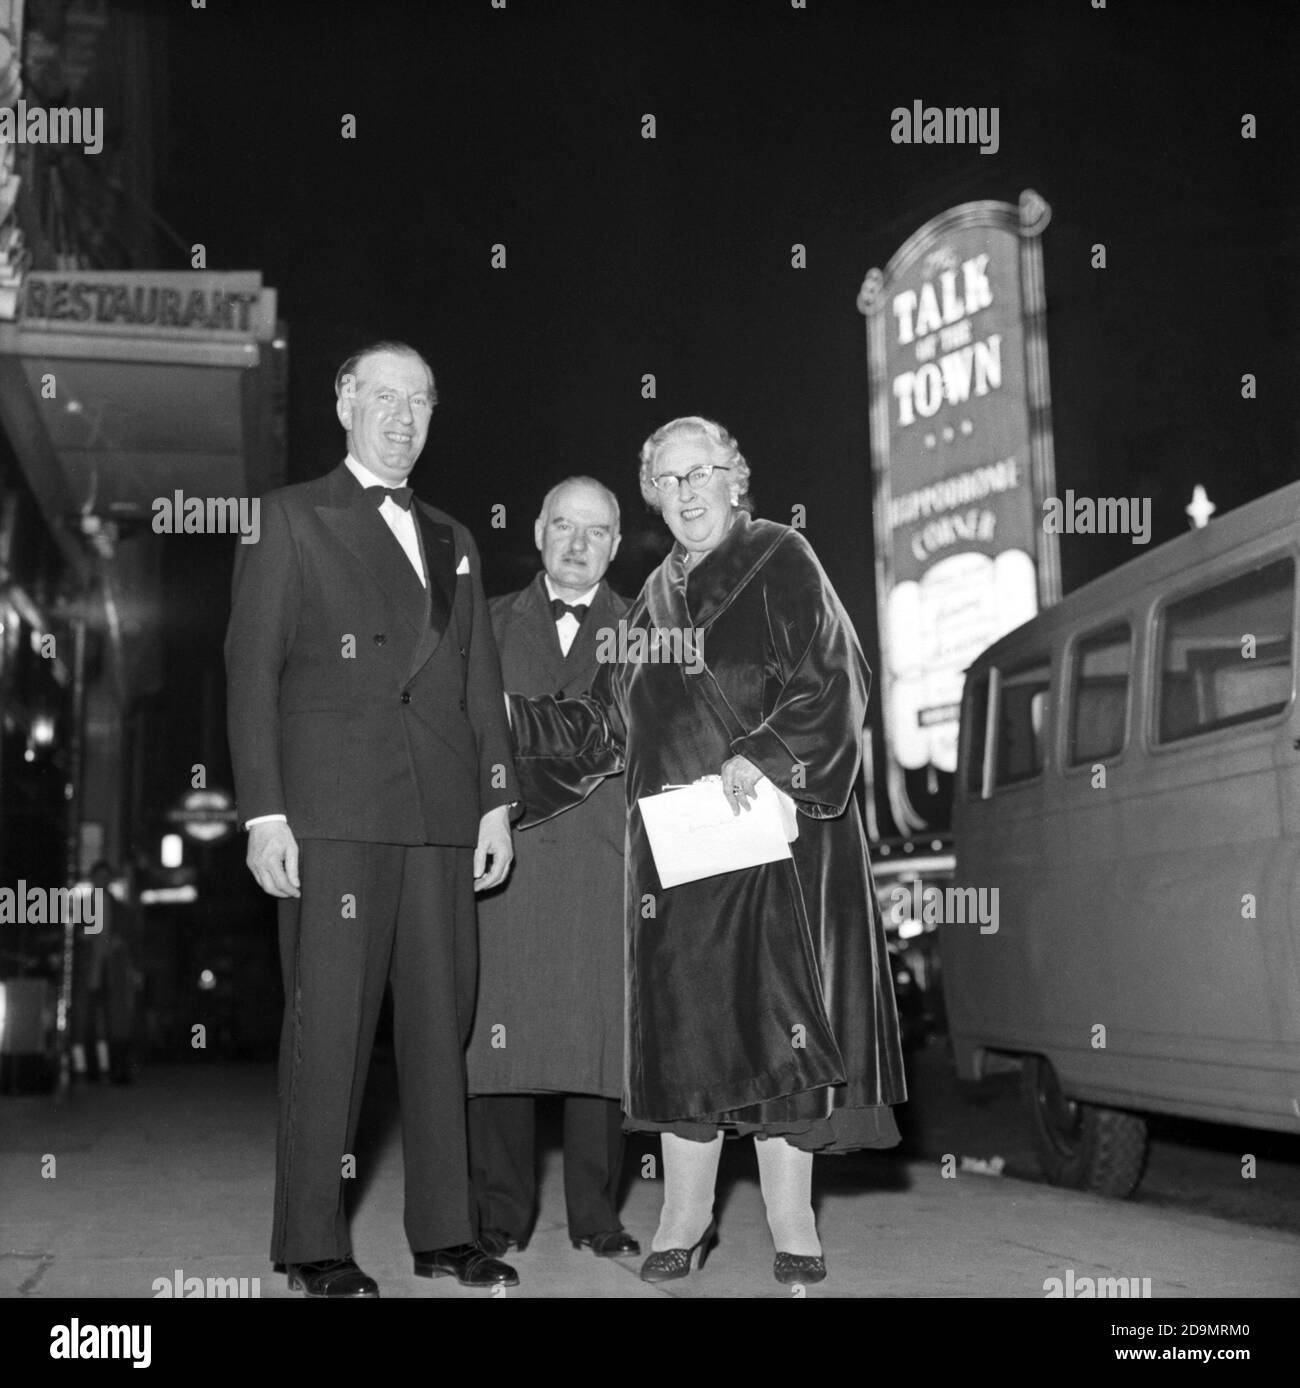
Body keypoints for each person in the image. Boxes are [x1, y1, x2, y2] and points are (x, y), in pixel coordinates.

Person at [507, 416, 906, 1285]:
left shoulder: (783, 556)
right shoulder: (649, 598)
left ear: (736, 478)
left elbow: (838, 675)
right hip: (680, 861)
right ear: (653, 496)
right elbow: (604, 724)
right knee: (688, 1037)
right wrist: (504, 722)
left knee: (779, 1037)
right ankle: (683, 1222)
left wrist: (762, 753)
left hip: (774, 843)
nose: (686, 493)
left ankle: (792, 1225)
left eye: (701, 474)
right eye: (668, 480)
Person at [224, 341, 520, 1297]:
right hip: (334, 815)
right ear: (345, 401)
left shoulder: (457, 538)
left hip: (440, 814)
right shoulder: (288, 517)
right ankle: (313, 1242)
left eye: (421, 401)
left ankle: (446, 1233)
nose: (403, 417)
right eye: (384, 396)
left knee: (443, 1028)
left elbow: (481, 680)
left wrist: (498, 803)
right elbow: (249, 675)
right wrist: (265, 813)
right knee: (332, 1028)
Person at [466, 477, 639, 1260]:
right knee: (497, 1046)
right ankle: (499, 1215)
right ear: (537, 530)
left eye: (596, 531)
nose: (577, 544)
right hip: (506, 863)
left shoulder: (645, 631)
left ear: (617, 542)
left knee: (602, 1046)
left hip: (607, 867)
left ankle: (596, 1216)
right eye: (564, 526)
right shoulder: (484, 623)